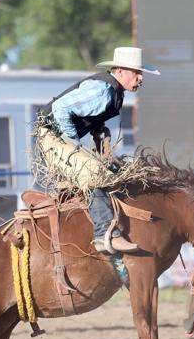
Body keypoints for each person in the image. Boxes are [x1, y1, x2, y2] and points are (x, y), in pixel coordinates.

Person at [36, 46, 160, 254]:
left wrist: (96, 128)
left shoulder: (113, 91)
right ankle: (104, 234)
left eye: (141, 74)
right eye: (137, 73)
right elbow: (61, 109)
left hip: (55, 137)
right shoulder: (102, 89)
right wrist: (72, 141)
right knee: (94, 173)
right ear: (120, 71)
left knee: (109, 171)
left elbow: (83, 112)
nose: (141, 78)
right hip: (51, 138)